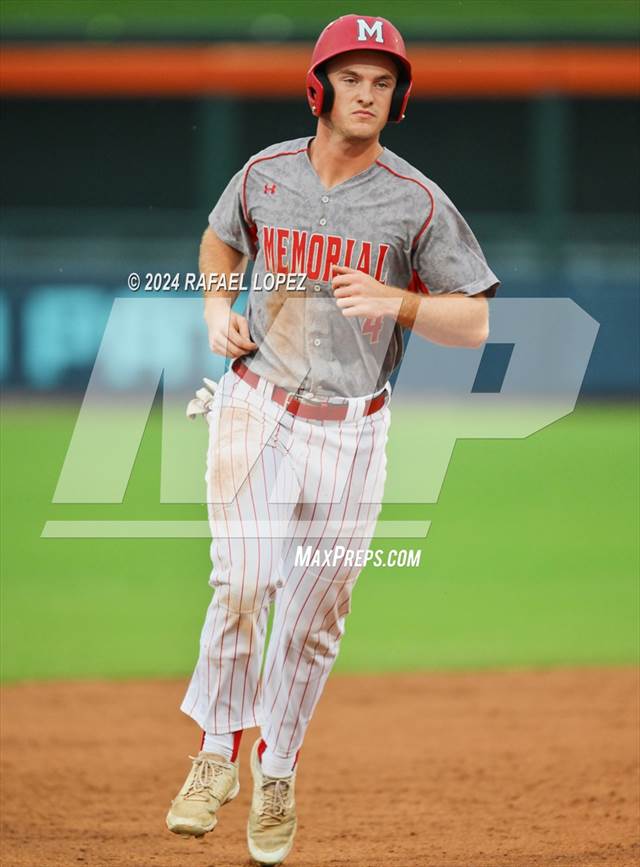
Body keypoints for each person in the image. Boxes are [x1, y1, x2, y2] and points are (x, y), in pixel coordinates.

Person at [166, 13, 499, 865]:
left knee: (313, 621)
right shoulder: (264, 174)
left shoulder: (416, 200)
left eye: (383, 82)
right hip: (256, 407)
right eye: (352, 78)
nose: (367, 94)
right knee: (242, 579)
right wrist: (215, 306)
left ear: (398, 99)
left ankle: (278, 769)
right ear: (320, 88)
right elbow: (218, 240)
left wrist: (403, 303)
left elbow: (476, 322)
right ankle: (215, 756)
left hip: (353, 432)